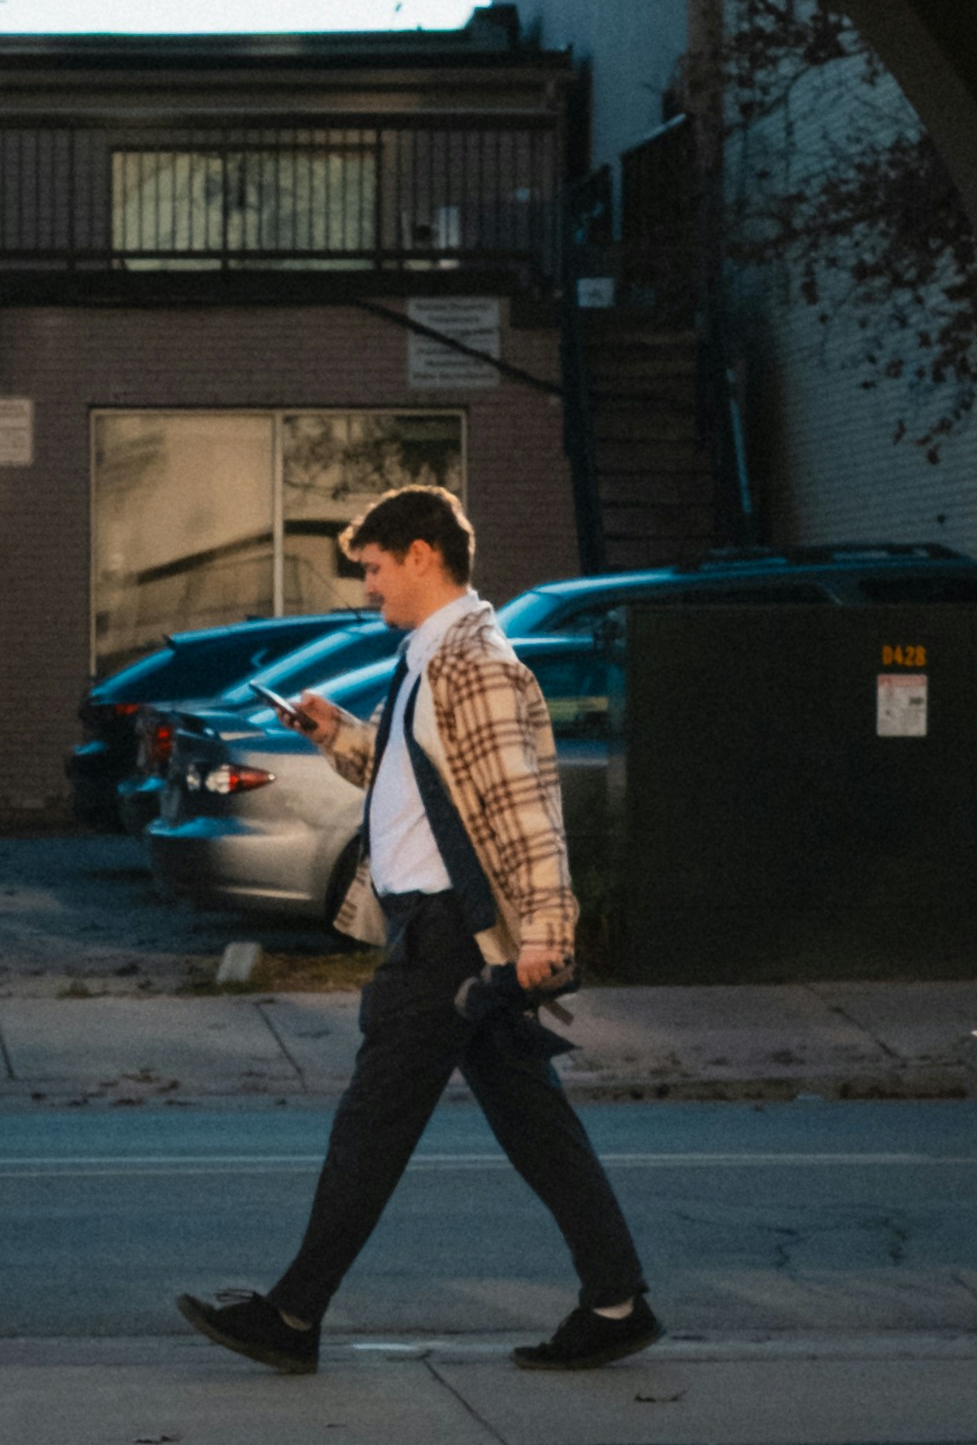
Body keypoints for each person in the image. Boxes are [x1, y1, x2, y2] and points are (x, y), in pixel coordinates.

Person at [177, 482, 661, 1377]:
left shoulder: (471, 663)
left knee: (373, 1124)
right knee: (530, 1120)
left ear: (422, 556)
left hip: (449, 937)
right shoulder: (430, 660)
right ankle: (616, 1301)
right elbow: (426, 786)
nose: (367, 587)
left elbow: (524, 812)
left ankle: (291, 1316)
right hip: (444, 929)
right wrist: (337, 735)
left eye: (373, 568)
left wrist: (548, 935)